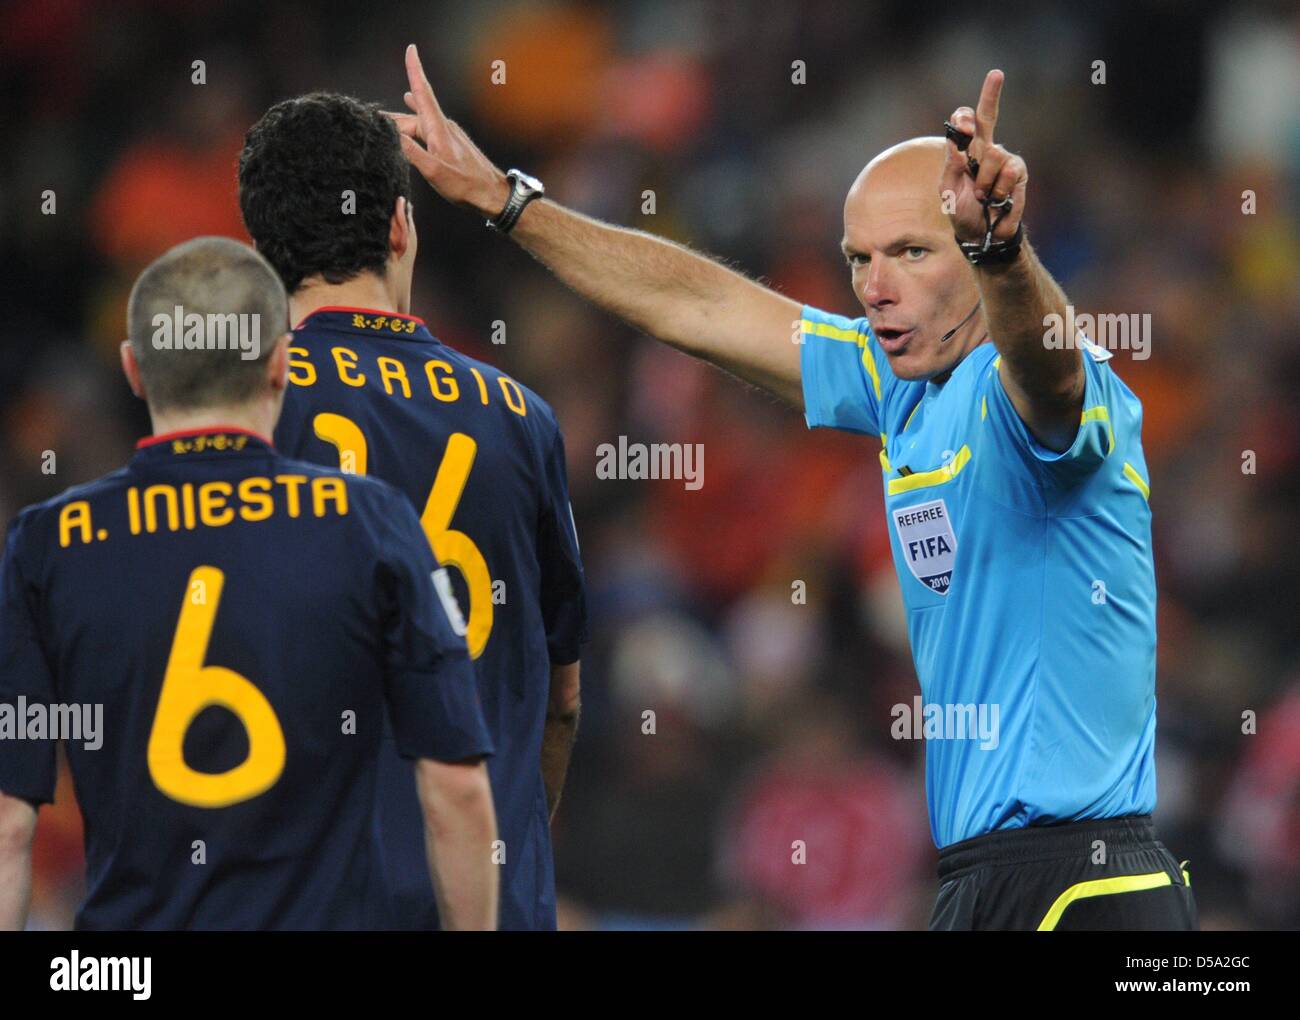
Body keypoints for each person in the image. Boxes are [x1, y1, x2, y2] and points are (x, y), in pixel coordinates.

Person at [393, 45, 1196, 931]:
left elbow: (1047, 376)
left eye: (912, 252)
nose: (875, 288)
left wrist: (1003, 255)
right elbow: (698, 306)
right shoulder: (900, 388)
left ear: (971, 251)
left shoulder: (1048, 384)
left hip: (1084, 881)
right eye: (858, 259)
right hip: (987, 880)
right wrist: (510, 201)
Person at [0, 237, 498, 930]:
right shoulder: (370, 520)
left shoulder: (47, 543)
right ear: (281, 366)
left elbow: (9, 823)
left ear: (135, 370)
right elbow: (457, 788)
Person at [238, 93, 588, 931]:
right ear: (400, 226)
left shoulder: (231, 412)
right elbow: (562, 701)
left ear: (256, 253)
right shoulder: (519, 416)